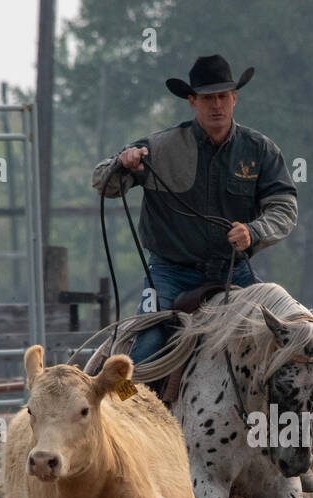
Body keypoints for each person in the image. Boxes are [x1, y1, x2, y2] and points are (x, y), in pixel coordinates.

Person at [91, 54, 298, 368]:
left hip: (234, 270)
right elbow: (104, 184)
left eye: (222, 97)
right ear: (192, 101)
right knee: (149, 341)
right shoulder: (159, 148)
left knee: (281, 337)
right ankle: (127, 405)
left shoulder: (260, 150)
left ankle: (276, 414)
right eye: (207, 98)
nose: (216, 105)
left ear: (234, 99)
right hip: (169, 272)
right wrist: (122, 164)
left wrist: (253, 232)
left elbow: (283, 207)